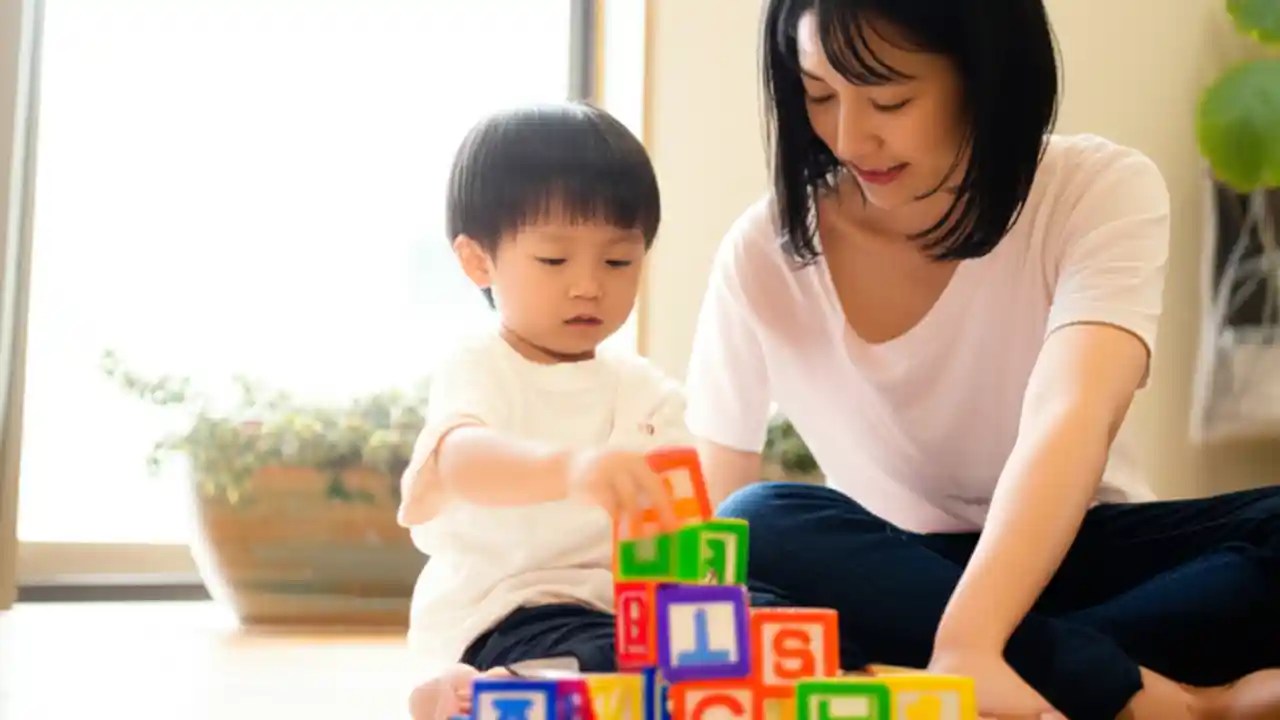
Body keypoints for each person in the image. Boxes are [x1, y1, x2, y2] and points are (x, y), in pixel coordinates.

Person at [683, 1, 1280, 719]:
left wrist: (971, 640)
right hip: (891, 570)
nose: (848, 135)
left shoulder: (1097, 189)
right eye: (818, 95)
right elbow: (711, 522)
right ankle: (1168, 698)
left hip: (1073, 553)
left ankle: (982, 668)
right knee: (756, 524)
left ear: (985, 75)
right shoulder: (764, 253)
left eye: (888, 99)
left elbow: (1073, 414)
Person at [396, 102, 688, 719]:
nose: (588, 285)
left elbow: (687, 506)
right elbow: (459, 461)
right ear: (479, 261)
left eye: (618, 261)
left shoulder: (644, 390)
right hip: (506, 617)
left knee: (754, 619)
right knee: (608, 654)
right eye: (554, 260)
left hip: (623, 612)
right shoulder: (480, 364)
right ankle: (473, 690)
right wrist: (570, 470)